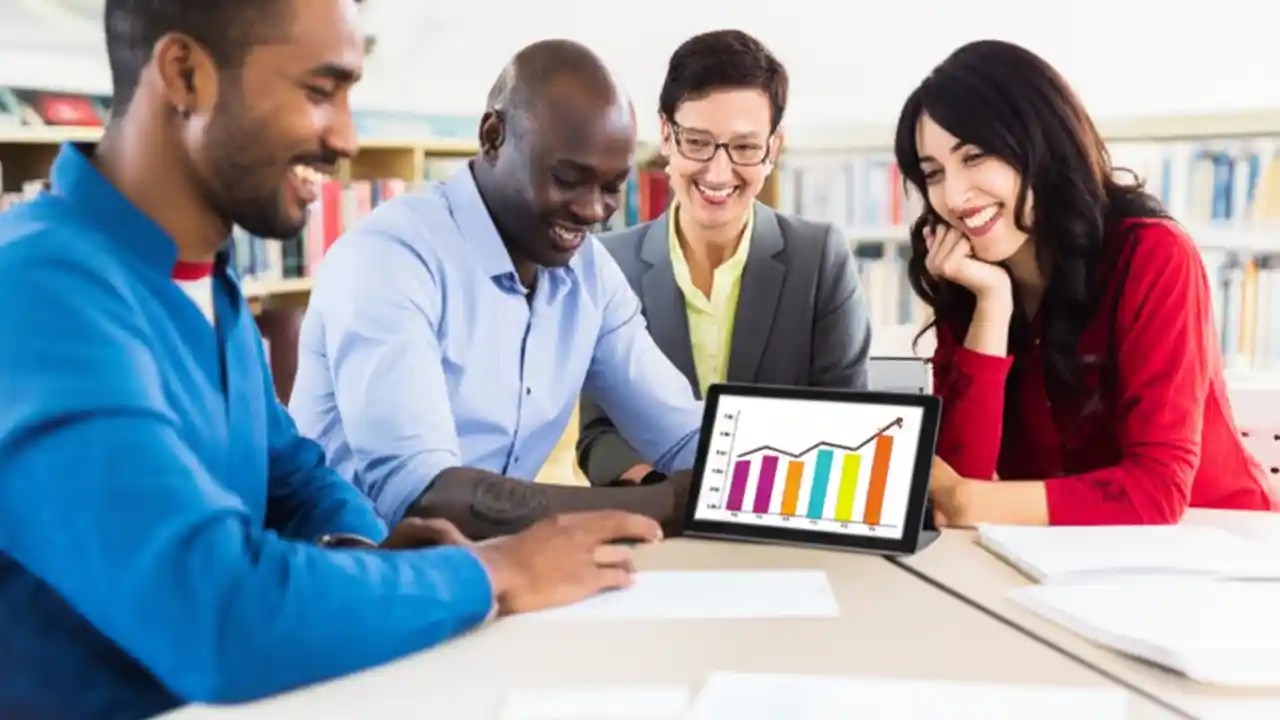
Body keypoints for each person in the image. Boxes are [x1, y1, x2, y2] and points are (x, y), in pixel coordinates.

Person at [0, 3, 661, 717]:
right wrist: (488, 570)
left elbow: (292, 478)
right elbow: (218, 615)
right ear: (185, 74)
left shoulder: (202, 281)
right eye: (320, 91)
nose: (346, 137)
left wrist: (383, 552)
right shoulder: (41, 292)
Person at [288, 39, 704, 539]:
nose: (594, 210)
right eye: (569, 178)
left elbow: (683, 434)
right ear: (493, 136)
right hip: (361, 575)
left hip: (492, 575)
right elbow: (425, 498)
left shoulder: (589, 274)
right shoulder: (391, 258)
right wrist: (657, 503)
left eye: (613, 187)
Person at [893, 40, 1277, 527]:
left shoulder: (1152, 256)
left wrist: (970, 501)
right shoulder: (967, 280)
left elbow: (1155, 493)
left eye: (975, 157)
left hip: (1217, 548)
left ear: (1041, 144)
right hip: (1063, 557)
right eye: (933, 174)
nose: (953, 195)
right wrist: (992, 305)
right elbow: (957, 479)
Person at [576, 29, 872, 487]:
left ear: (773, 148)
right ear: (666, 135)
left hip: (784, 520)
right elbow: (599, 436)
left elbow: (848, 424)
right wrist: (673, 498)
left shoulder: (820, 259)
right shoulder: (609, 263)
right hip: (656, 519)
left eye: (745, 147)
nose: (718, 172)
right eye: (697, 141)